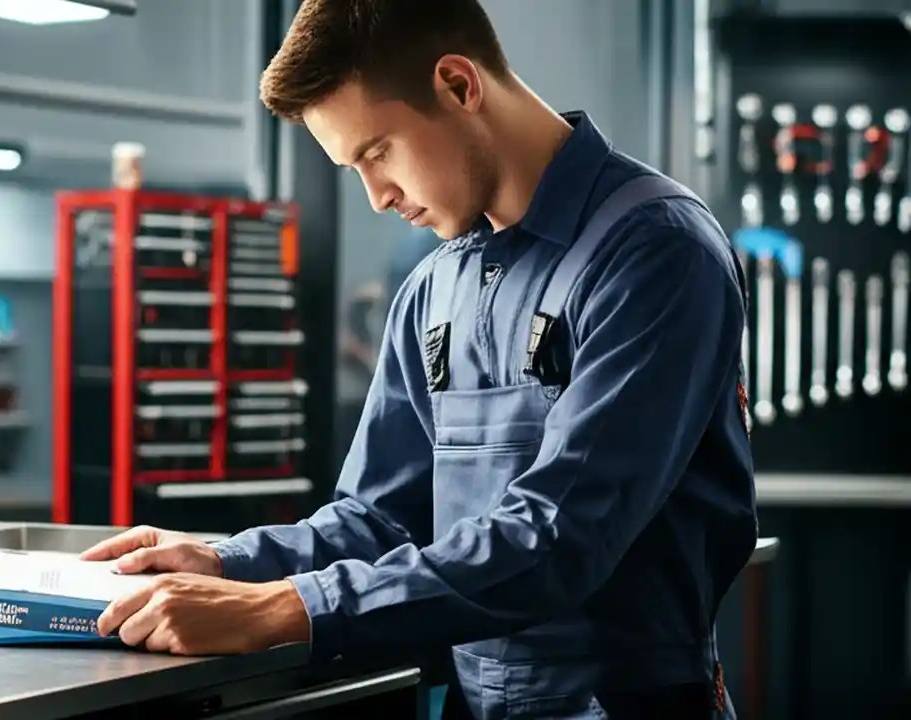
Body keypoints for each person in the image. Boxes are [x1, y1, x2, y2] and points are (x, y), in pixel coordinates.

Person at [81, 1, 757, 717]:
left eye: (377, 152)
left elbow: (561, 534)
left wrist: (282, 608)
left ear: (460, 86)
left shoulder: (655, 252)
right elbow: (379, 518)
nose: (376, 197)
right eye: (355, 168)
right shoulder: (433, 290)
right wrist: (229, 562)